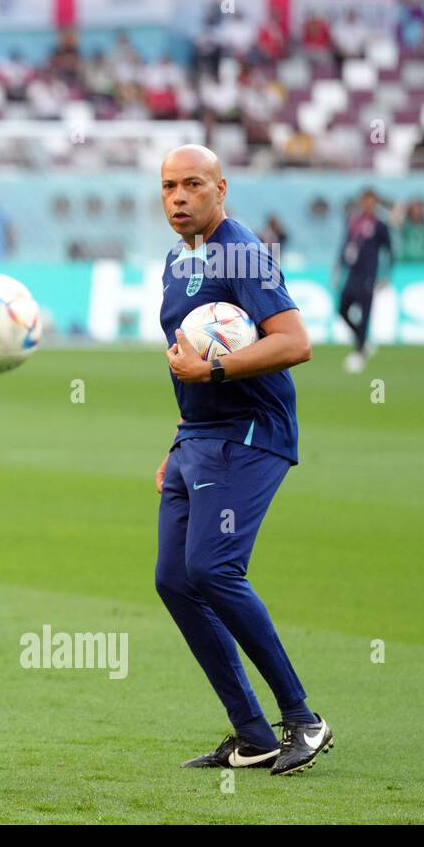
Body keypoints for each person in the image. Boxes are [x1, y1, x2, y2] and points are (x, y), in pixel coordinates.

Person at [155, 144, 332, 777]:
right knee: (175, 581)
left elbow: (295, 342)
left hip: (250, 433)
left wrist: (216, 369)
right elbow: (186, 359)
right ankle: (253, 735)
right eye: (169, 186)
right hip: (198, 439)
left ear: (221, 188)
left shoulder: (242, 253)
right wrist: (177, 439)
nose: (179, 197)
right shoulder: (178, 260)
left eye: (193, 184)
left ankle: (303, 720)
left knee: (213, 567)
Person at [335, 188, 393, 372]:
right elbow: (346, 245)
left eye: (370, 200)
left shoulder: (380, 225)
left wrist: (386, 275)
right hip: (352, 273)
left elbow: (390, 251)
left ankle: (359, 352)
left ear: (375, 203)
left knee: (364, 313)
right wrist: (338, 267)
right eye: (365, 200)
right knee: (342, 309)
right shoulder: (353, 221)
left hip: (368, 275)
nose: (367, 204)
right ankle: (363, 340)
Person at [397, 197, 424, 262]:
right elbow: (396, 217)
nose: (416, 212)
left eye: (419, 209)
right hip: (407, 261)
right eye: (414, 210)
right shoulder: (405, 225)